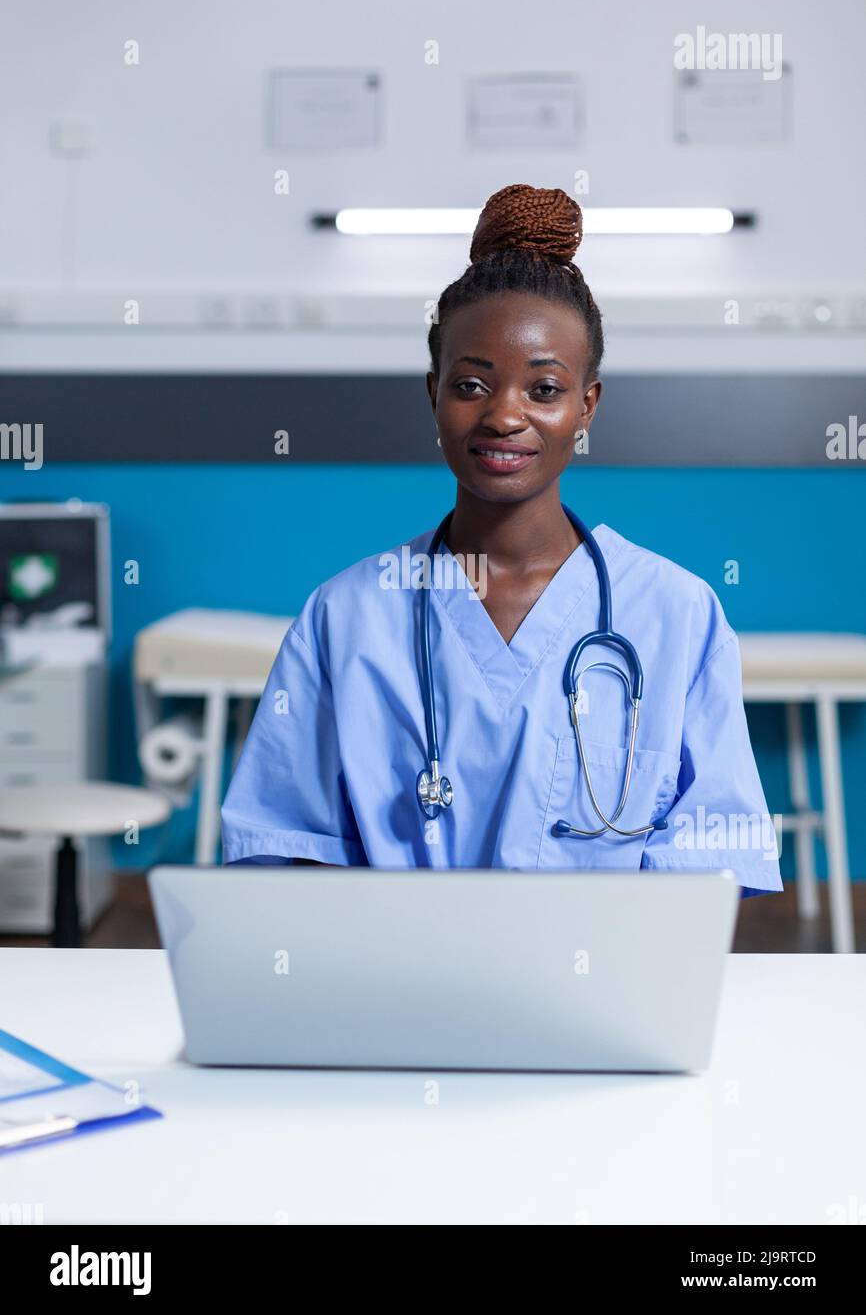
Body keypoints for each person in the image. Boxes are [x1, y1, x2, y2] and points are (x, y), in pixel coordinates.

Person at [221, 183, 782, 896]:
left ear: (588, 405)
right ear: (434, 396)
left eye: (544, 390)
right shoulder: (346, 615)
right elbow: (284, 846)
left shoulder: (677, 612)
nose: (504, 416)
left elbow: (711, 864)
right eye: (471, 386)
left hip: (598, 988)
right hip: (391, 990)